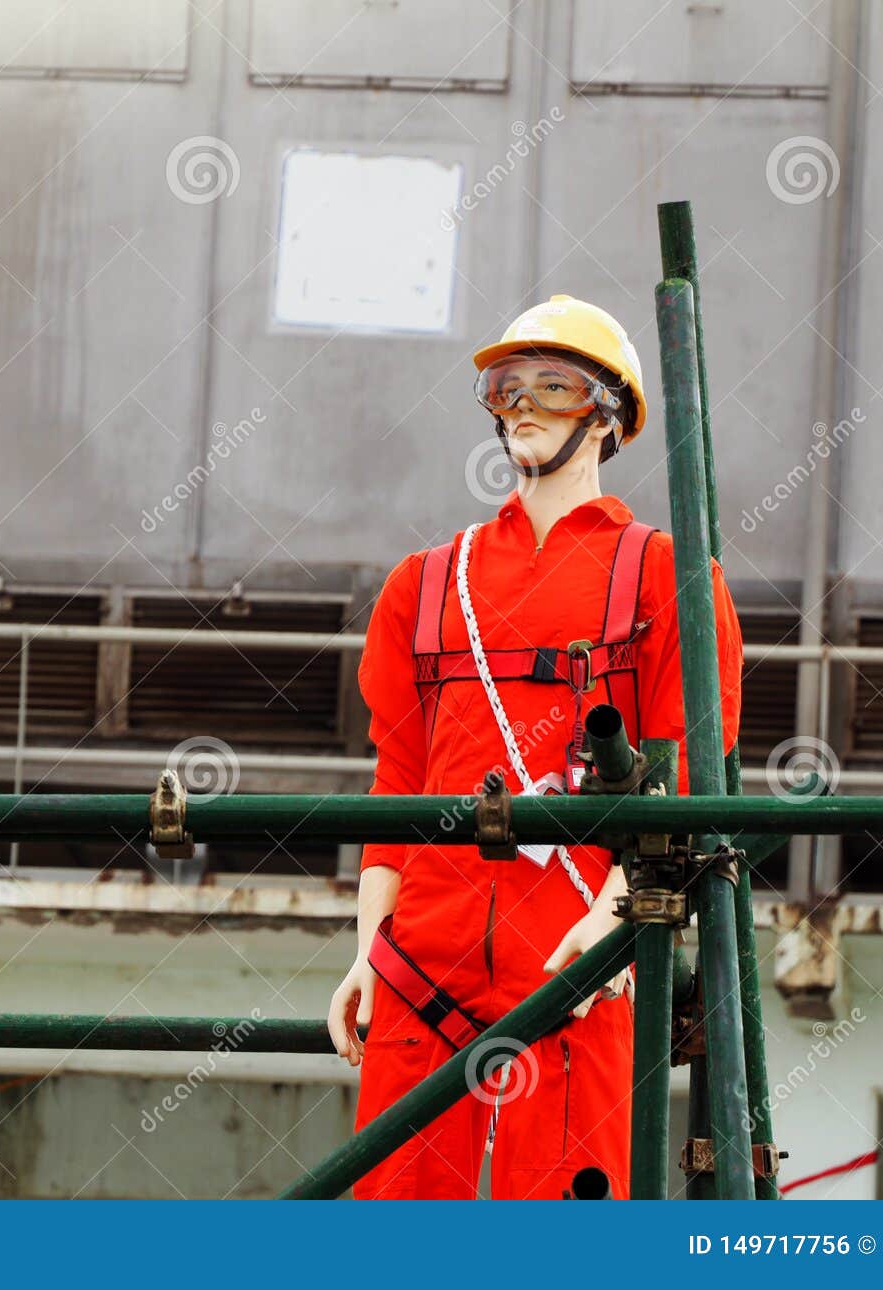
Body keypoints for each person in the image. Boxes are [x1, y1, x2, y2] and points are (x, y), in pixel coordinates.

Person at [327, 293, 744, 1200]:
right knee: (388, 1233)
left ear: (606, 414)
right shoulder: (425, 583)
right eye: (506, 385)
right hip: (419, 963)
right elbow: (397, 781)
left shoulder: (673, 579)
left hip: (577, 963)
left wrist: (616, 921)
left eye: (552, 385)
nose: (521, 404)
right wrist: (367, 948)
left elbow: (682, 782)